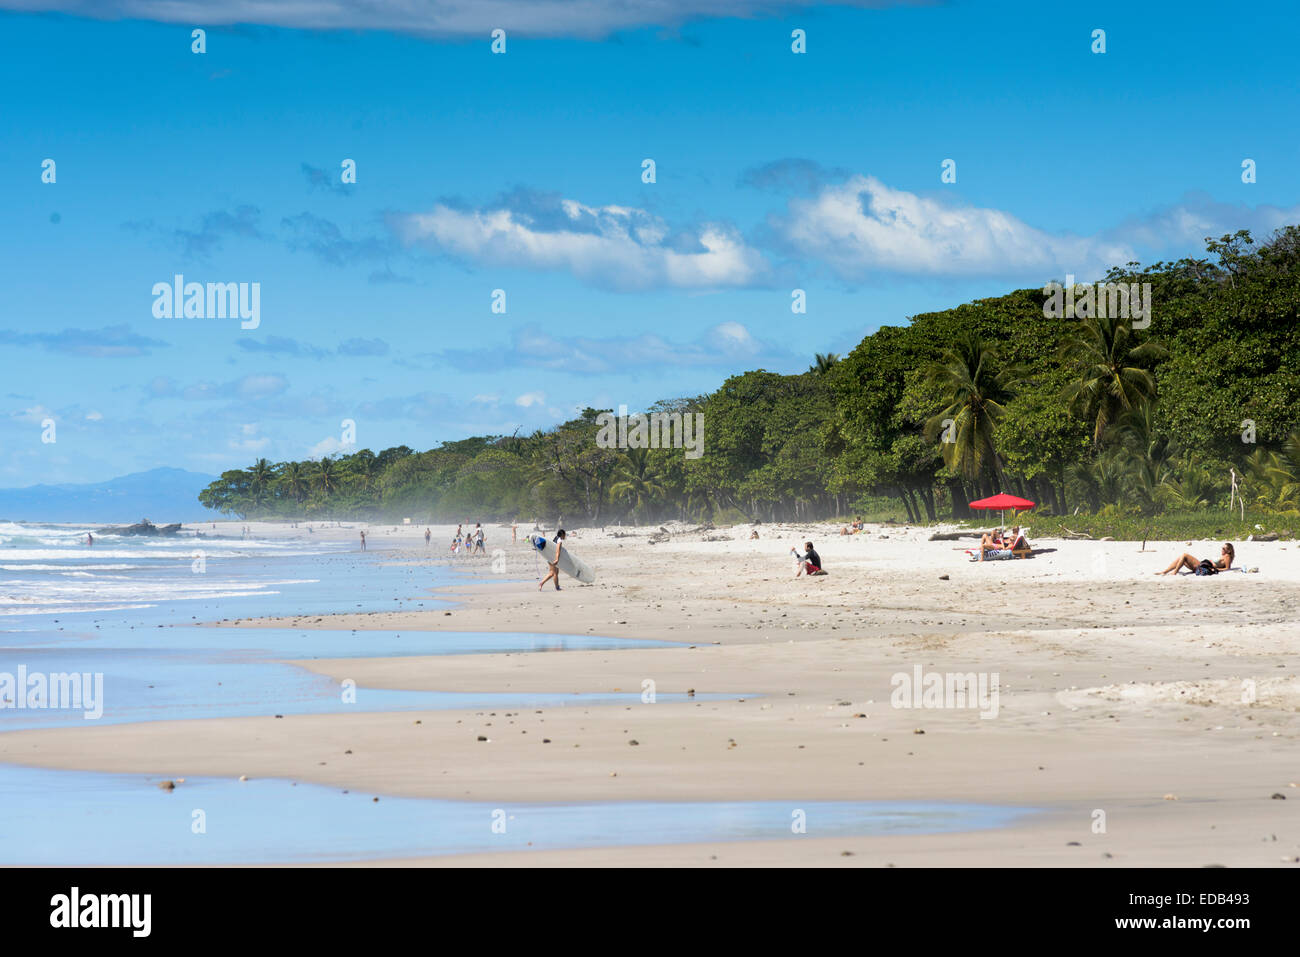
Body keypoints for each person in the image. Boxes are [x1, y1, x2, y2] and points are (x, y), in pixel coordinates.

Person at [1156, 543, 1234, 576]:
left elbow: (1227, 568)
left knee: (1184, 555)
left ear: (1229, 550)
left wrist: (1215, 569)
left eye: (1224, 548)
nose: (1222, 549)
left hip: (1204, 567)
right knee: (1181, 558)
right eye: (1222, 548)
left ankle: (1174, 572)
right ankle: (1165, 572)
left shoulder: (1227, 557)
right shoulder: (1224, 555)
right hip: (1203, 565)